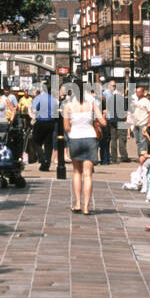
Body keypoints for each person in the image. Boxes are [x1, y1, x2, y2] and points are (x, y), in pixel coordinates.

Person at [64, 81, 105, 214]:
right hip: (90, 138)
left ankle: (77, 203)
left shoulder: (68, 106)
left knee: (77, 172)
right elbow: (103, 123)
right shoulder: (92, 105)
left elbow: (66, 127)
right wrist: (103, 116)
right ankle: (86, 207)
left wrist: (72, 129)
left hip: (75, 138)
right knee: (88, 175)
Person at [31, 85, 58, 171]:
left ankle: (43, 158)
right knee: (48, 144)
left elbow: (34, 110)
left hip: (41, 121)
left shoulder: (38, 98)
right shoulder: (53, 99)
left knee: (36, 141)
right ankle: (46, 165)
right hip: (51, 122)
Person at [102, 79, 124, 164]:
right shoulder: (105, 94)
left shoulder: (113, 94)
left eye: (115, 86)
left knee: (111, 138)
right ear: (108, 86)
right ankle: (107, 157)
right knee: (107, 138)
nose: (114, 87)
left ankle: (110, 157)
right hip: (106, 118)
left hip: (111, 118)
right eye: (112, 86)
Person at [130, 85, 150, 156]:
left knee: (142, 140)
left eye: (139, 92)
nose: (137, 93)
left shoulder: (146, 101)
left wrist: (149, 122)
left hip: (143, 123)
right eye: (136, 92)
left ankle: (143, 155)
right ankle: (139, 154)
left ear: (143, 93)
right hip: (136, 123)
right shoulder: (136, 101)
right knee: (138, 141)